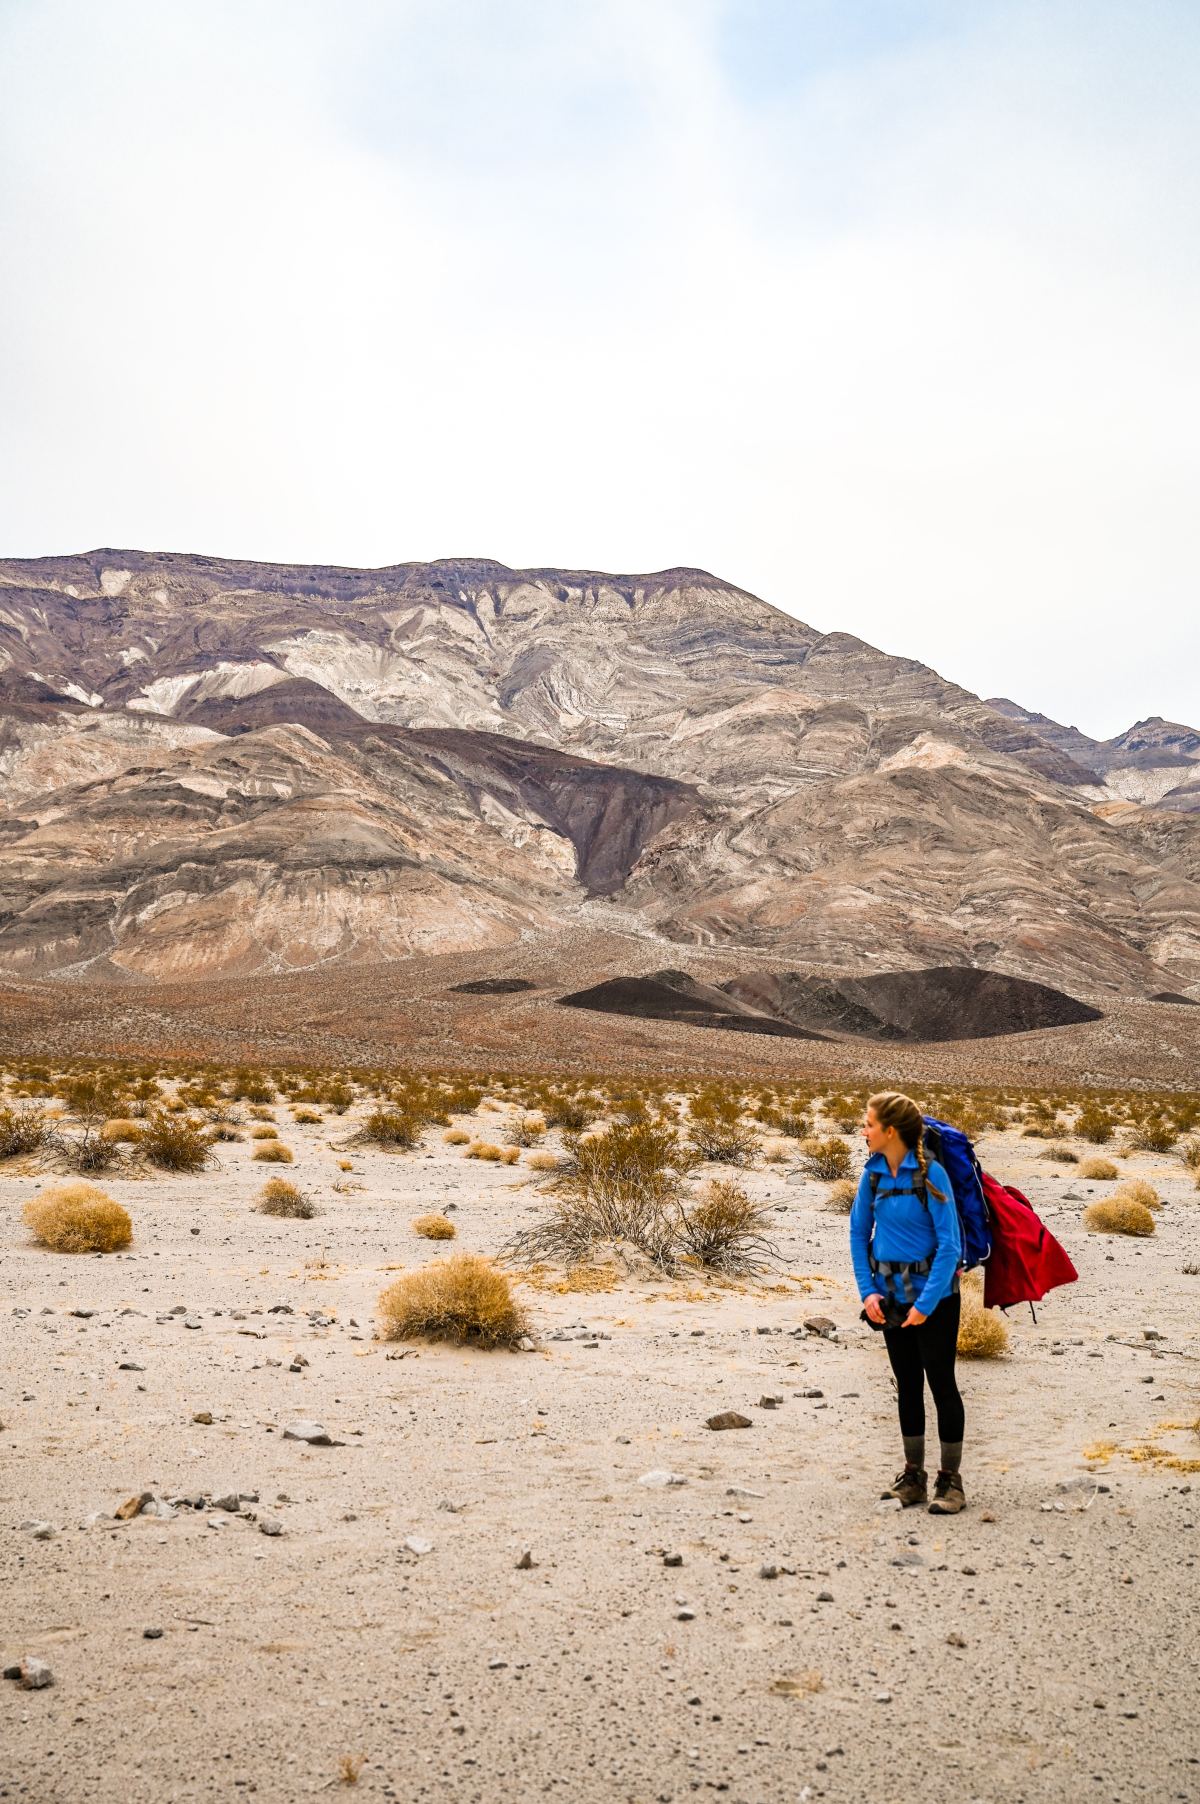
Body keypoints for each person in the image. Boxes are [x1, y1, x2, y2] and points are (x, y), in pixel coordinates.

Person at [849, 1090, 966, 1514]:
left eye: (869, 1124)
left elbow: (950, 1247)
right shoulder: (873, 1176)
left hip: (936, 1299)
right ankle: (913, 1476)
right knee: (907, 1384)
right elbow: (858, 1233)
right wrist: (868, 1292)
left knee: (942, 1384)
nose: (863, 1131)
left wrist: (926, 1305)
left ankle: (950, 1482)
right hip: (891, 1299)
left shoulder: (932, 1174)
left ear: (891, 1130)